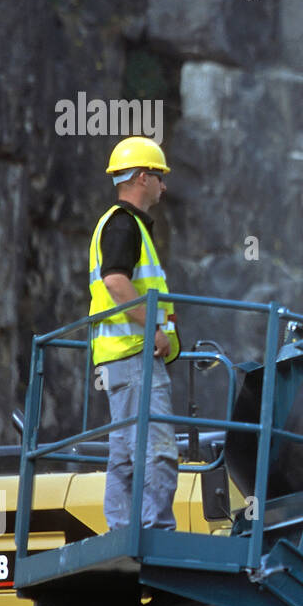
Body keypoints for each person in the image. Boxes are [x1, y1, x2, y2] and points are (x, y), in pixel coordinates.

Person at [88, 136, 181, 531]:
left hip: (118, 359)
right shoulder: (124, 224)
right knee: (156, 448)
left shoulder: (123, 225)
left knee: (125, 452)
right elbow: (115, 281)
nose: (164, 186)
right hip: (134, 354)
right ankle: (155, 532)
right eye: (160, 177)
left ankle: (124, 531)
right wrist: (155, 329)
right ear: (143, 177)